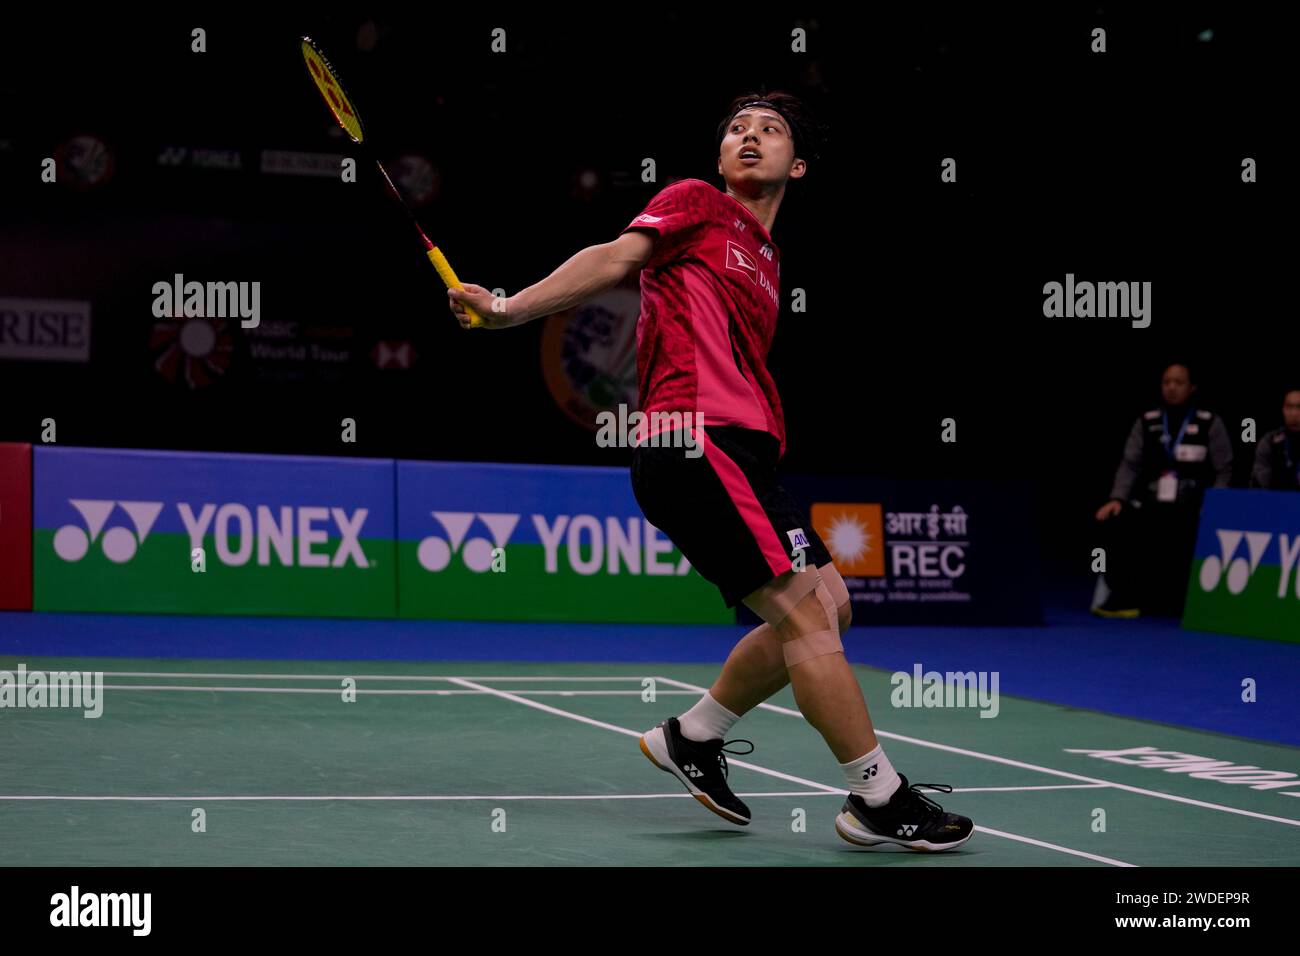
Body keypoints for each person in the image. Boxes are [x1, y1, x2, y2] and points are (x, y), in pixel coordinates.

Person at [448, 91, 972, 852]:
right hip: (693, 442)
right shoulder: (694, 204)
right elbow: (615, 258)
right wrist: (509, 307)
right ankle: (878, 795)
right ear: (719, 157)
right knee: (802, 617)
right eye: (735, 129)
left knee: (834, 603)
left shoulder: (768, 257)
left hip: (749, 453)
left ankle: (694, 736)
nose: (748, 137)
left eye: (769, 130)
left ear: (798, 164)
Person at [1094, 362, 1233, 617]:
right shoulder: (1147, 421)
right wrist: (1117, 498)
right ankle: (1124, 597)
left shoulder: (1209, 422)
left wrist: (1216, 504)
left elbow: (1224, 468)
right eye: (1166, 382)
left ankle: (1191, 602)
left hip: (1194, 506)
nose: (1171, 387)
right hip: (1151, 503)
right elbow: (1130, 464)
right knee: (1117, 521)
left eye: (1178, 382)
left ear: (1191, 388)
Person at [1250, 387, 1300, 491]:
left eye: (1299, 407)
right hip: (1275, 501)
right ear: (1283, 409)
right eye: (1289, 407)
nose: (1294, 413)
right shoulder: (1269, 441)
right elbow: (1260, 480)